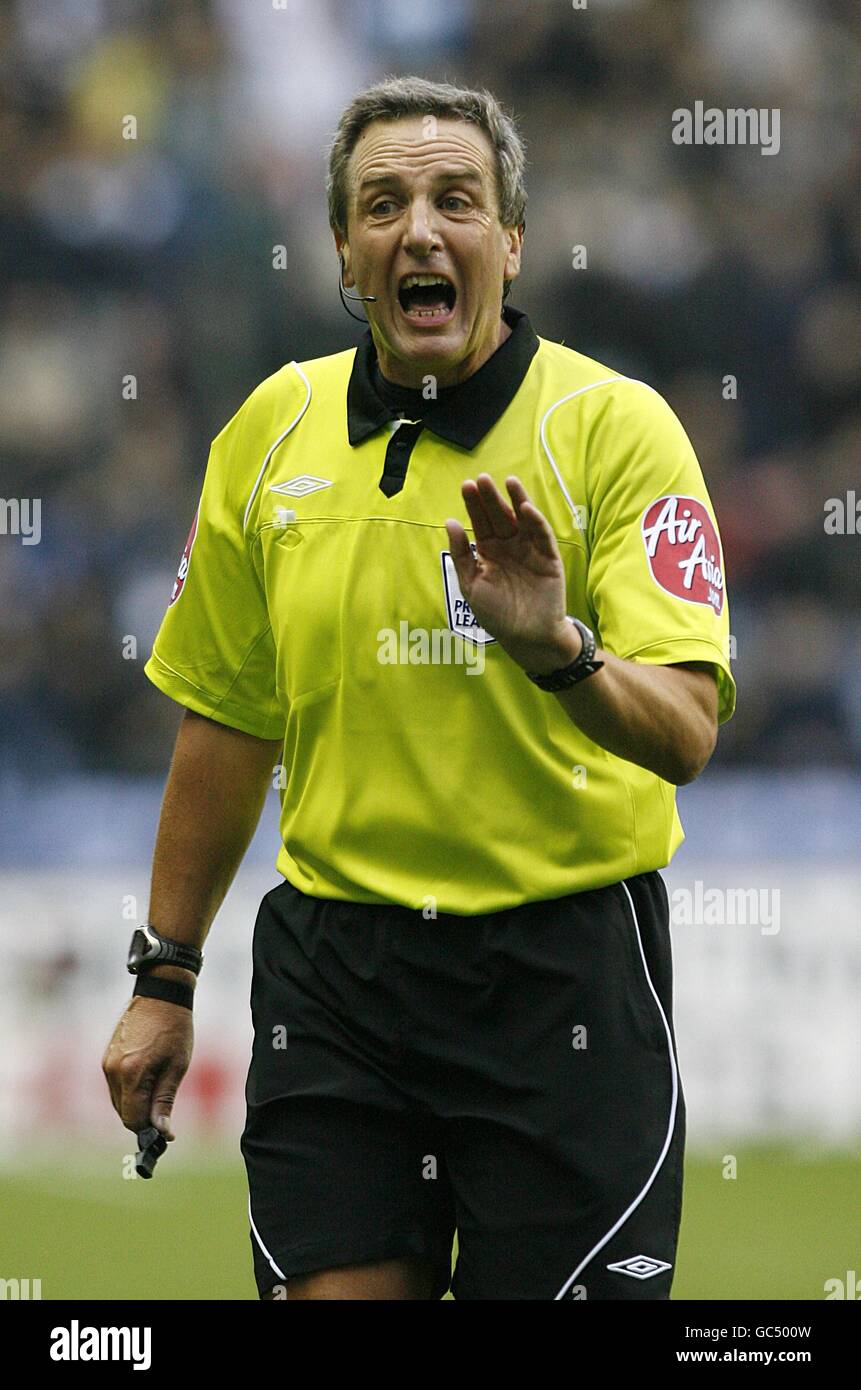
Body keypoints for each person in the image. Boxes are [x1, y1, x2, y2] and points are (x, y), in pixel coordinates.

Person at [103, 75, 736, 1301]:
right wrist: (164, 980)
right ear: (344, 246)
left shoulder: (617, 429)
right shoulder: (270, 433)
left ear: (511, 240)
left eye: (458, 198)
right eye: (383, 204)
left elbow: (689, 729)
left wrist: (561, 649)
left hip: (562, 983)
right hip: (339, 984)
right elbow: (228, 720)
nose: (421, 230)